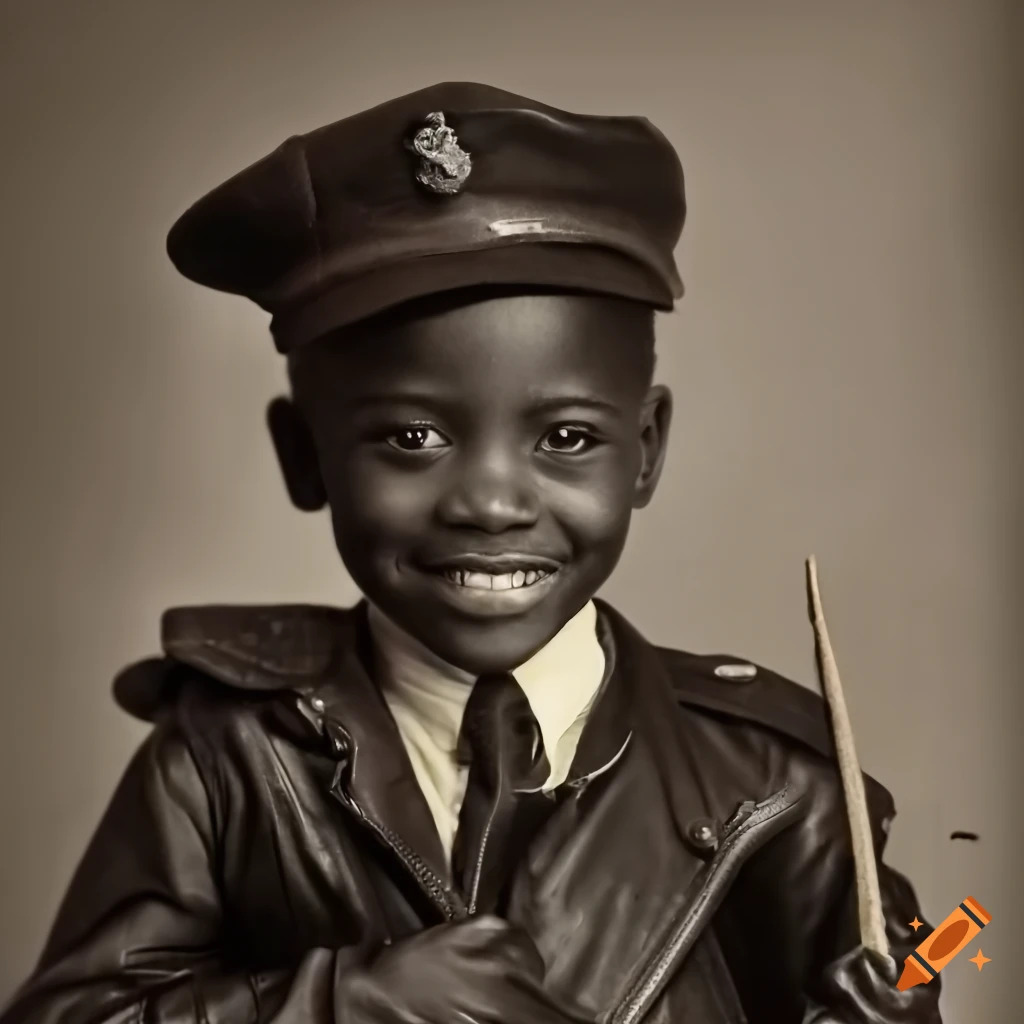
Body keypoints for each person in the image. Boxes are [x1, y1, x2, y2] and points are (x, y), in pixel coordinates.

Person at [0, 82, 942, 1024]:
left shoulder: (776, 785)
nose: (492, 503)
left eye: (566, 439)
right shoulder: (224, 756)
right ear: (305, 456)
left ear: (645, 451)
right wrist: (344, 1006)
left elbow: (881, 985)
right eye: (413, 439)